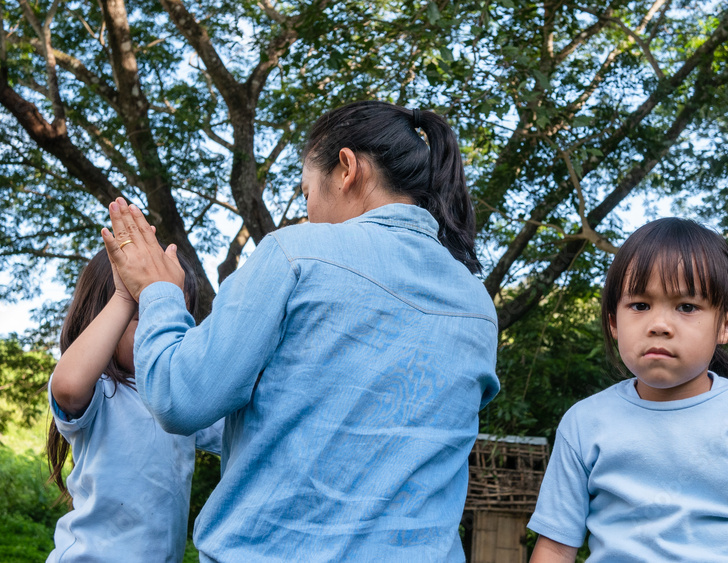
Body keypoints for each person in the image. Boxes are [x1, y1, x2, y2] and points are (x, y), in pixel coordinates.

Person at [100, 101, 500, 561]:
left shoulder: (296, 253)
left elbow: (180, 397)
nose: (307, 209)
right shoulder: (476, 305)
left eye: (307, 192)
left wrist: (157, 292)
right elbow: (344, 422)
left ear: (347, 168)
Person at [527, 218, 728, 562]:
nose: (659, 325)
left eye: (686, 307)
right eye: (640, 305)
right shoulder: (583, 423)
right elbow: (554, 548)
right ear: (613, 323)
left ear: (727, 325)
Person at [45, 247, 223, 562]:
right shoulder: (100, 390)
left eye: (177, 317)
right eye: (145, 314)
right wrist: (125, 298)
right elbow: (68, 387)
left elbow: (241, 426)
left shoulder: (178, 397)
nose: (163, 331)